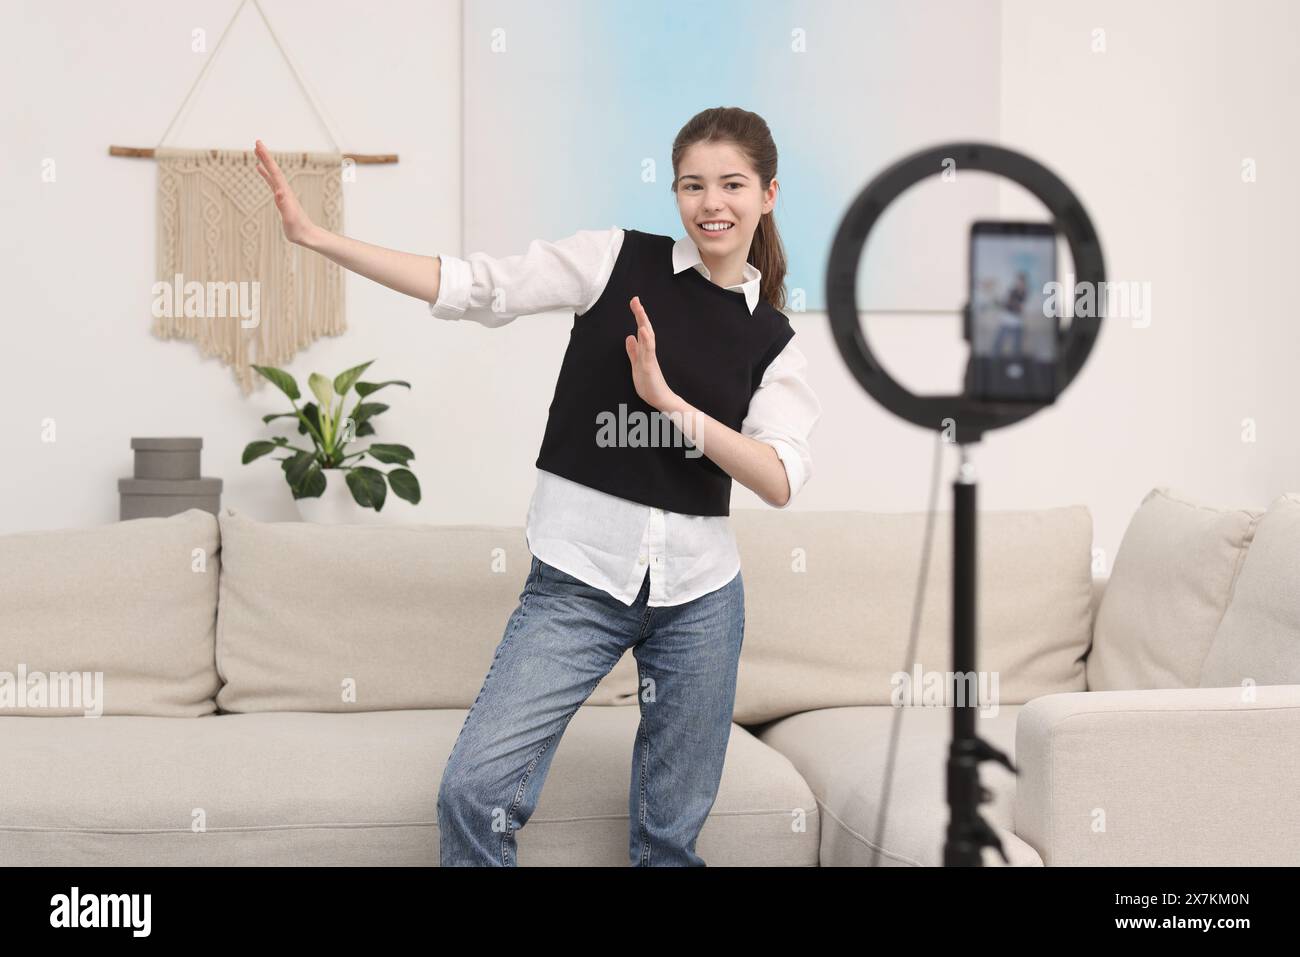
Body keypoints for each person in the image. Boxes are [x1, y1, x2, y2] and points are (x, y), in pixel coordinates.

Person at [254, 105, 822, 866]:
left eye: (731, 185)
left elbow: (779, 477)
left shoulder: (775, 340)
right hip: (579, 581)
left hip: (703, 600)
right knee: (474, 793)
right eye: (692, 185)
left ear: (769, 195)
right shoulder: (613, 260)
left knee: (669, 840)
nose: (710, 203)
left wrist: (670, 405)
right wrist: (319, 240)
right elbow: (472, 285)